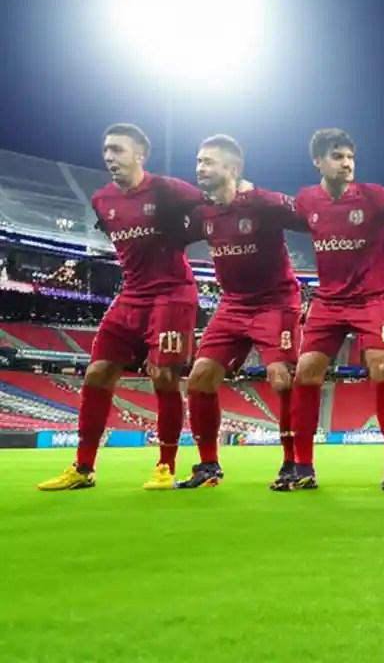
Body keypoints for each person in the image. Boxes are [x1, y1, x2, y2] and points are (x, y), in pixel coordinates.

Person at [38, 124, 206, 491]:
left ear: (140, 155)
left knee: (163, 376)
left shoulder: (167, 189)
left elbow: (210, 209)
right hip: (131, 295)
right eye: (106, 151)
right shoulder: (102, 200)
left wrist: (187, 230)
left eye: (117, 149)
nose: (110, 157)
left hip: (173, 293)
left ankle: (165, 465)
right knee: (97, 373)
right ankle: (83, 468)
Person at [289, 128, 384, 491]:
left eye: (350, 156)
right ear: (318, 162)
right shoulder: (306, 200)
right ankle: (303, 467)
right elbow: (277, 218)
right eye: (338, 156)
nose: (347, 163)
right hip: (328, 302)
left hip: (372, 299)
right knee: (306, 371)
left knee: (382, 368)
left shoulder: (375, 196)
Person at [178, 135, 305, 490]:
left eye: (209, 162)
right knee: (200, 377)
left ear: (232, 168)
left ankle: (294, 463)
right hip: (232, 303)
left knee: (282, 378)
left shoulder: (265, 202)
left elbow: (315, 220)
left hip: (276, 301)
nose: (200, 168)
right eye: (199, 161)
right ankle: (207, 467)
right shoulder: (201, 210)